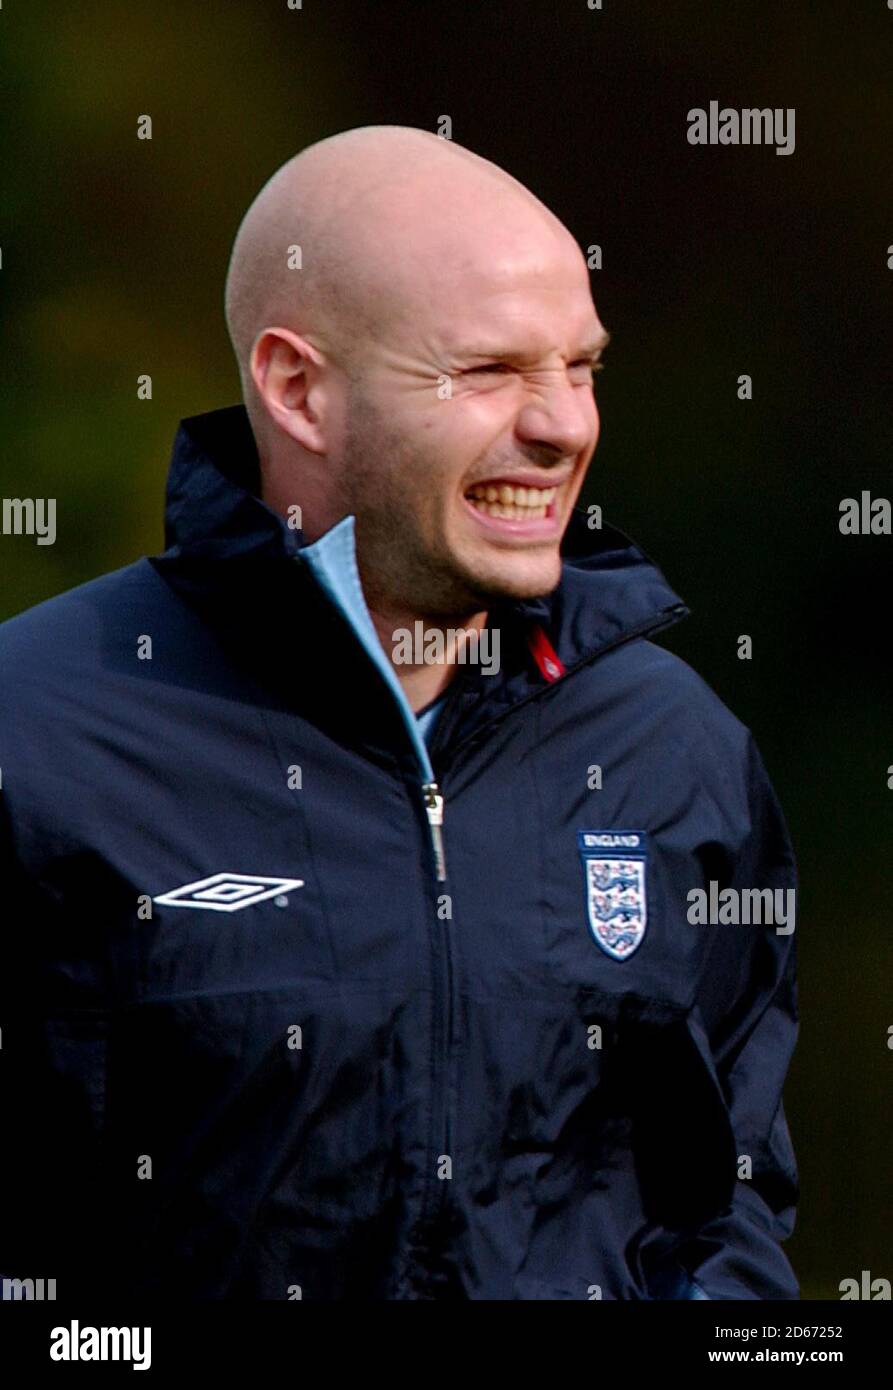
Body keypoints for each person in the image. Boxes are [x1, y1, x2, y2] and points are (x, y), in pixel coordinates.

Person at [0, 125, 798, 1300]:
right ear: (297, 390)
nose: (563, 425)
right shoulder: (36, 737)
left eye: (579, 367)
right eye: (488, 371)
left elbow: (724, 1206)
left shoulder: (672, 747)